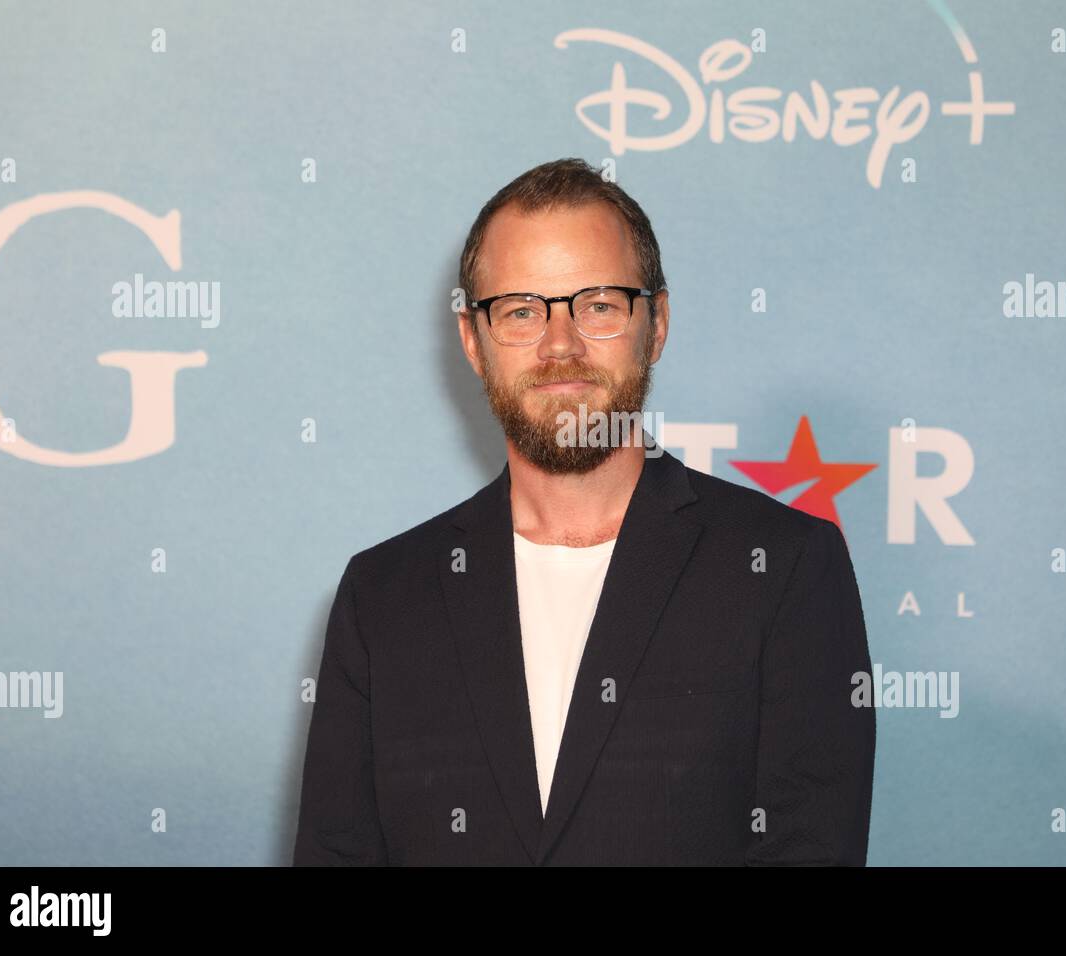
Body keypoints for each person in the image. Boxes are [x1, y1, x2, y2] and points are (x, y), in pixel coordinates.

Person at [292, 157, 875, 865]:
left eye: (598, 303)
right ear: (473, 343)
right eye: (520, 311)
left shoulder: (783, 569)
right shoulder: (383, 596)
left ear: (655, 323)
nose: (559, 344)